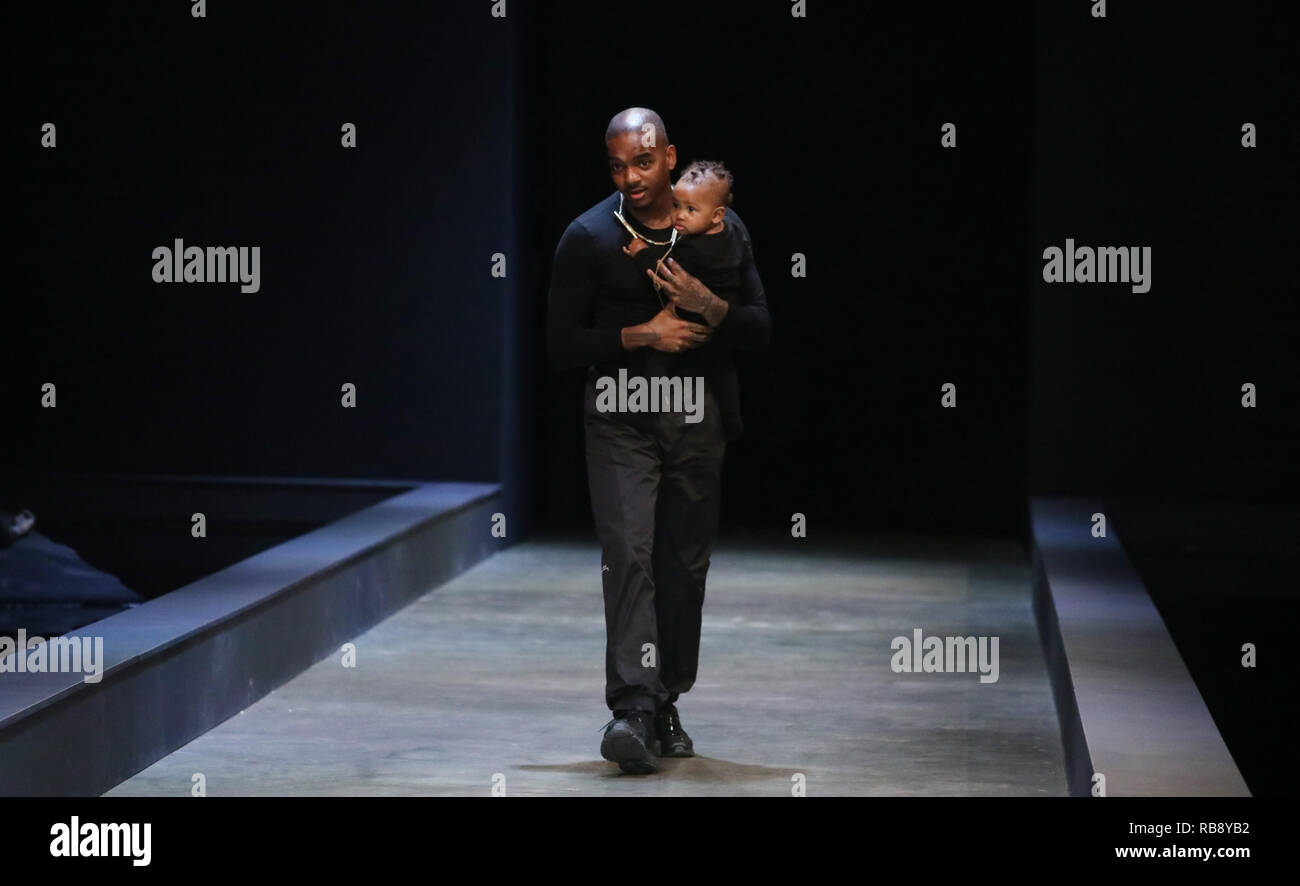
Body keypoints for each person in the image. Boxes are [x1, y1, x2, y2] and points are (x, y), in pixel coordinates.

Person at [546, 107, 772, 774]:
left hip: (698, 420)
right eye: (617, 165)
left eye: (643, 162)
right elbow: (560, 346)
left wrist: (708, 307)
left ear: (670, 158)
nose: (631, 176)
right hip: (620, 420)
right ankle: (632, 709)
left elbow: (760, 328)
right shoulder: (588, 237)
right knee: (630, 555)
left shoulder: (722, 229)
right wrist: (644, 335)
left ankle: (666, 697)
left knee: (683, 565)